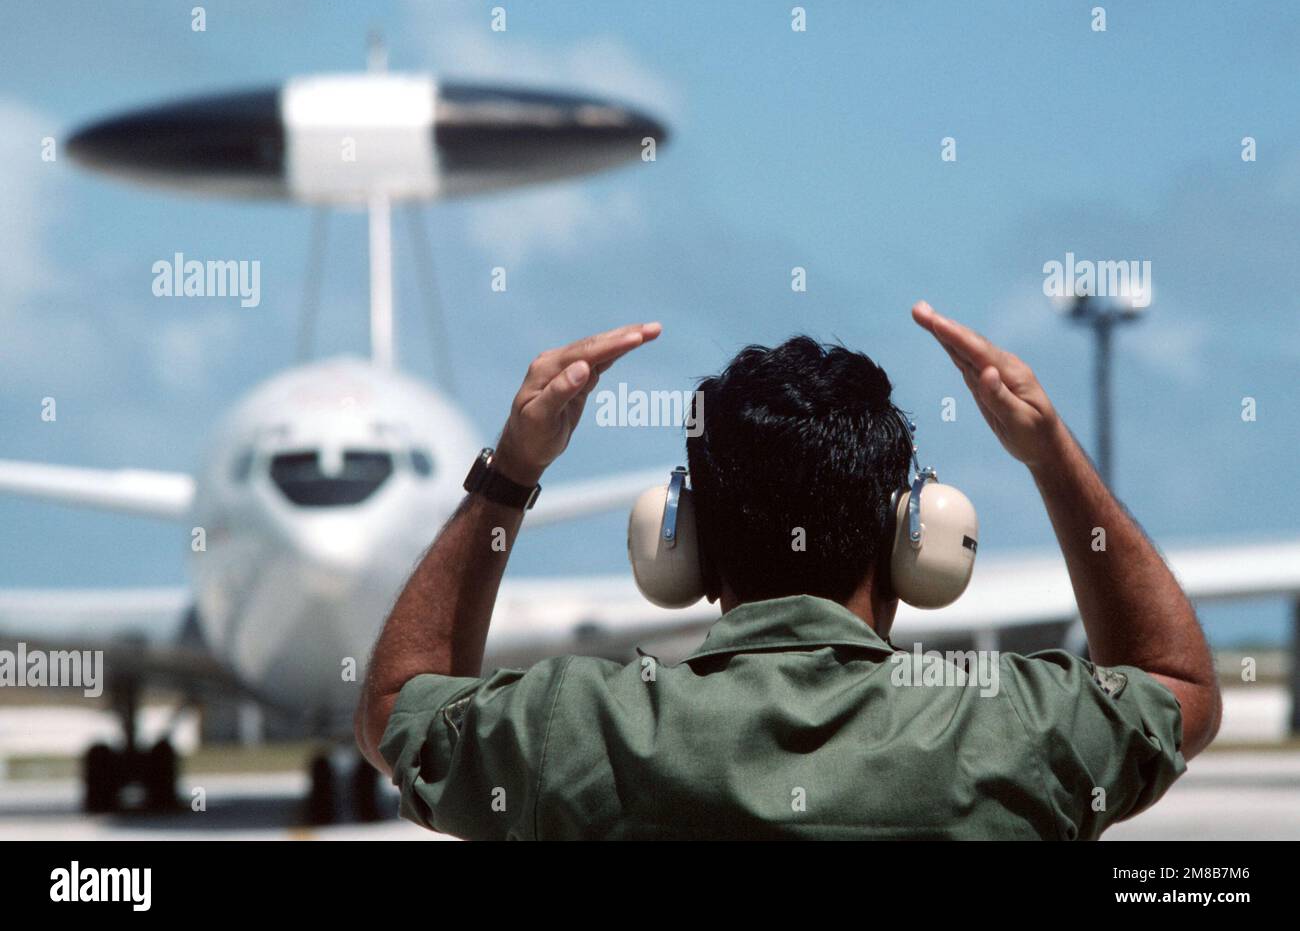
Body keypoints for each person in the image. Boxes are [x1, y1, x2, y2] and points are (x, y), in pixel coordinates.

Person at [355, 304, 1220, 839]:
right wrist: (1051, 455)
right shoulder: (1024, 733)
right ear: (911, 543)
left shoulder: (575, 732)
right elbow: (1176, 684)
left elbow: (398, 705)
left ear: (681, 544)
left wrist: (511, 472)